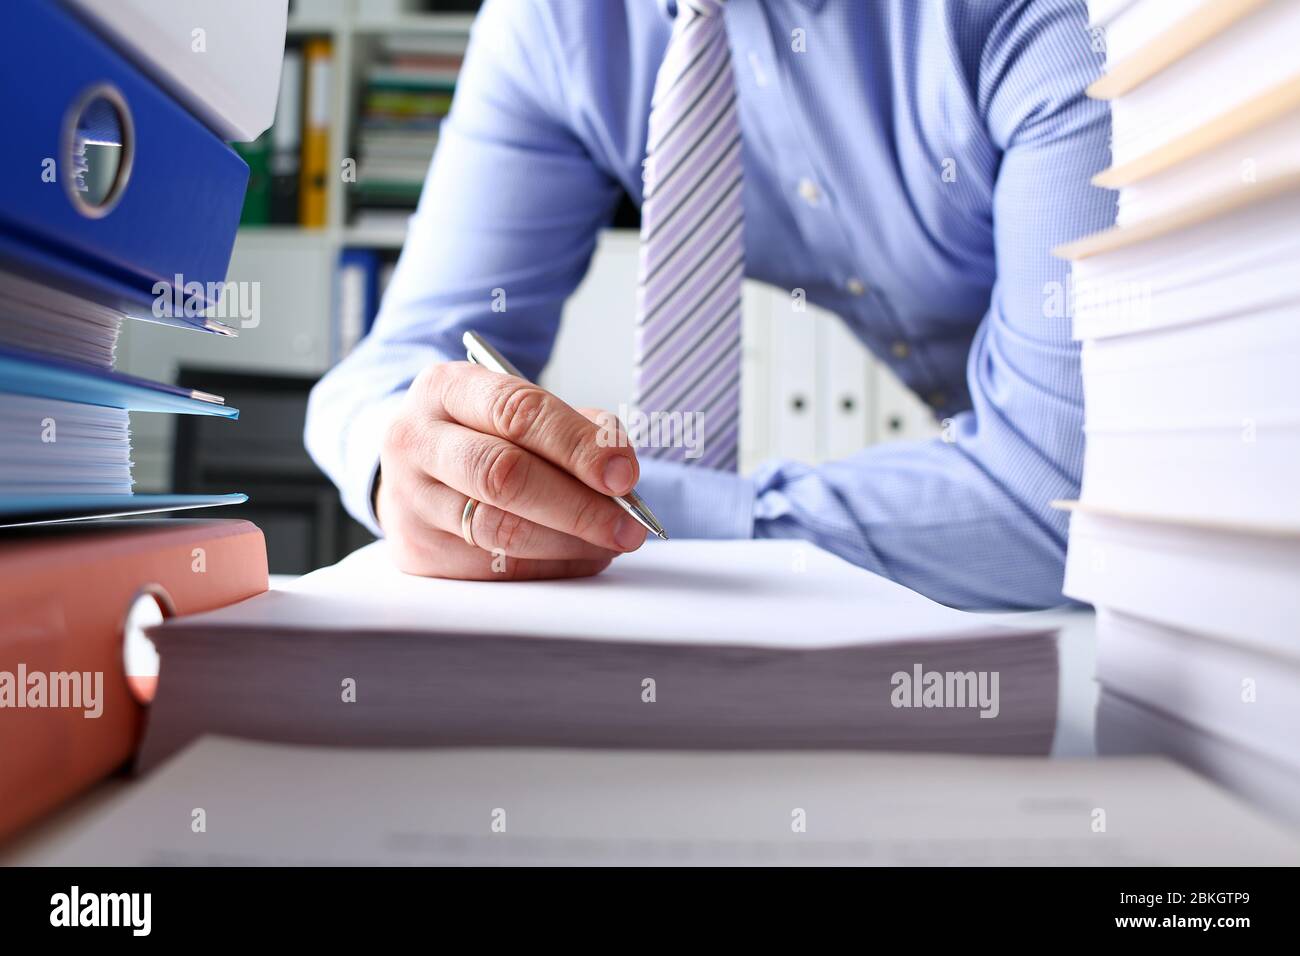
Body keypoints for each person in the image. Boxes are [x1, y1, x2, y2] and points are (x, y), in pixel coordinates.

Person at [306, 0, 1115, 608]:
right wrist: (415, 463)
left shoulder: (1052, 13)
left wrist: (638, 528)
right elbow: (390, 368)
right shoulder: (553, 25)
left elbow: (1060, 493)